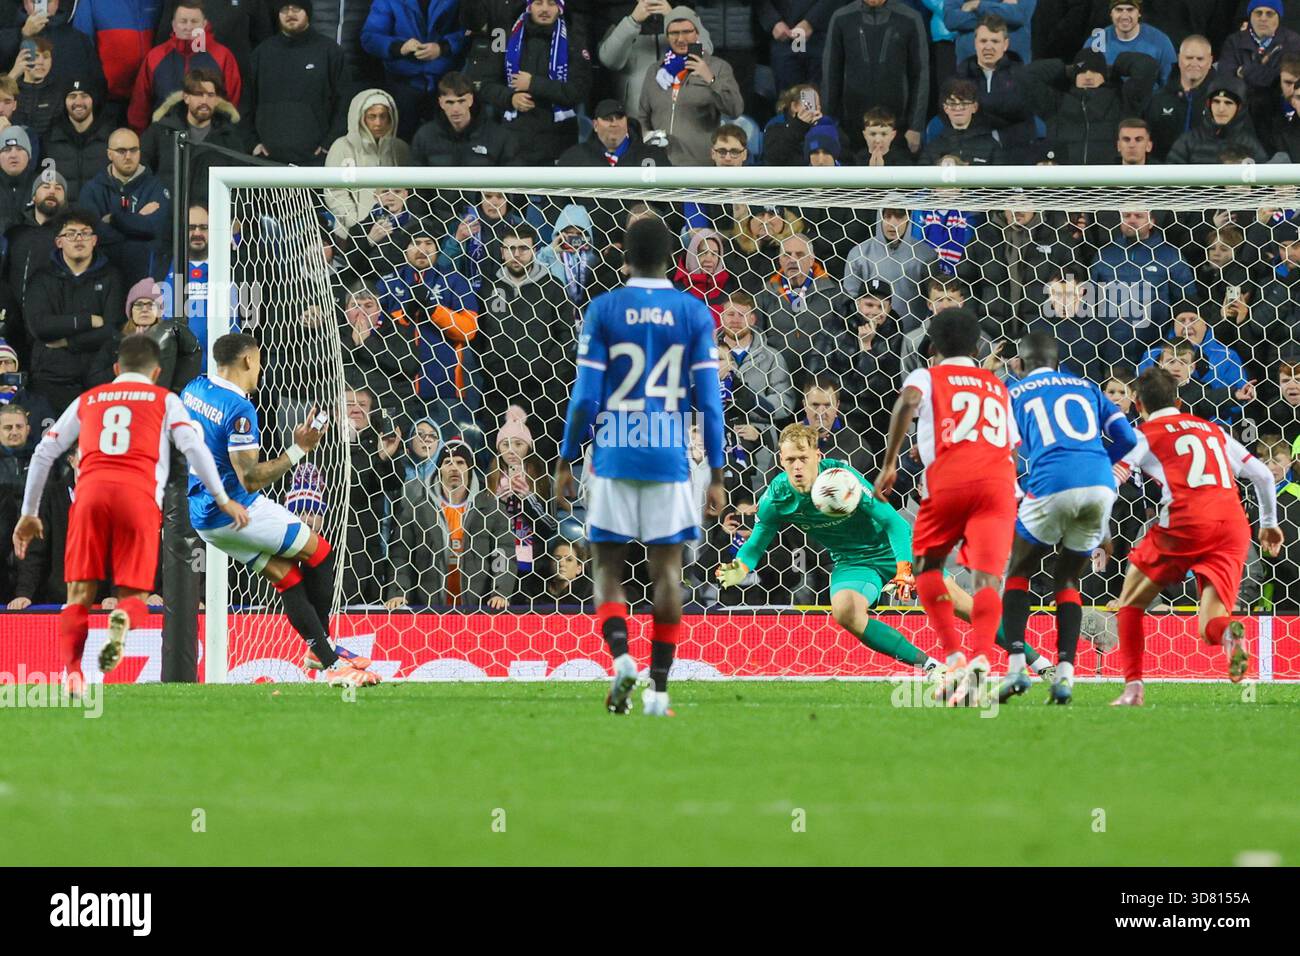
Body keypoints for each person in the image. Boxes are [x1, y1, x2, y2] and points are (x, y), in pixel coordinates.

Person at [554, 216, 725, 717]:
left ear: (623, 258)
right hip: (669, 455)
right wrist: (716, 474)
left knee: (607, 564)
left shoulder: (604, 308)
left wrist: (566, 458)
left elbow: (585, 396)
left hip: (612, 451)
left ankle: (621, 656)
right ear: (673, 260)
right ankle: (660, 691)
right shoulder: (693, 312)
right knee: (666, 570)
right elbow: (710, 405)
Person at [12, 334, 247, 697]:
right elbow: (193, 447)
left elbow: (44, 451)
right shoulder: (164, 400)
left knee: (79, 594)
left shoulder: (89, 399)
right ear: (155, 372)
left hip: (90, 495)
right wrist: (222, 496)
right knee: (133, 596)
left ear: (117, 369)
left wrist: (29, 513)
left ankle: (73, 673)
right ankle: (122, 622)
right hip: (137, 497)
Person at [180, 332, 379, 685]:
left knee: (287, 576)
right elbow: (251, 479)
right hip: (235, 509)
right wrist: (300, 448)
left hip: (202, 516)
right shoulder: (239, 409)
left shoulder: (193, 389)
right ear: (247, 361)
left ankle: (325, 655)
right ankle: (327, 656)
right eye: (258, 361)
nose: (260, 370)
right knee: (321, 553)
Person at [716, 424, 947, 681]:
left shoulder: (842, 478)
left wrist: (904, 568)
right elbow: (756, 545)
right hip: (853, 561)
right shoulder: (777, 497)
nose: (797, 466)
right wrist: (740, 568)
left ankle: (999, 654)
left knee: (953, 601)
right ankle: (931, 667)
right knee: (845, 611)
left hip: (894, 548)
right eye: (790, 459)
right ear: (781, 460)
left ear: (818, 455)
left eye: (803, 458)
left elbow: (896, 523)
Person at [1109, 367, 1283, 705]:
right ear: (1178, 400)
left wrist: (1097, 529)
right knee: (1210, 626)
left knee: (1129, 605)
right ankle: (1231, 637)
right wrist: (1268, 522)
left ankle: (1133, 688)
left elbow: (1113, 481)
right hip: (1231, 525)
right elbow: (1262, 474)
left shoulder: (1142, 435)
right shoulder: (1212, 430)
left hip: (1185, 522)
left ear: (1137, 404)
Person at [874, 306, 1018, 706]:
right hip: (998, 485)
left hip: (952, 481)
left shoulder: (928, 374)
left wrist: (889, 464)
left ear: (933, 346)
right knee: (988, 579)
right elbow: (1009, 443)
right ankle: (982, 659)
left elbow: (907, 402)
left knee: (925, 568)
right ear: (976, 346)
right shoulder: (994, 384)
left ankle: (954, 657)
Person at [1000, 332, 1138, 704]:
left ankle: (1016, 668)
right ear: (1058, 363)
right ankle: (1065, 675)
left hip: (1050, 483)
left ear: (1020, 364)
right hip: (1098, 485)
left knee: (1018, 572)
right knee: (1068, 577)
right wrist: (1096, 467)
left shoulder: (1013, 393)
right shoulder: (1087, 387)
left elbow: (1003, 449)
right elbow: (1127, 439)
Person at [23, 209, 124, 414]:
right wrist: (88, 321)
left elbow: (112, 330)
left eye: (85, 233)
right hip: (51, 379)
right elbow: (40, 327)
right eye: (71, 233)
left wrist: (68, 341)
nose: (79, 238)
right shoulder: (41, 278)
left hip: (99, 379)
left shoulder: (112, 276)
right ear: (59, 242)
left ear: (94, 240)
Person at [476, 0, 590, 167]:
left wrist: (533, 83)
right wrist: (511, 98)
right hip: (514, 139)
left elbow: (580, 90)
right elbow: (484, 84)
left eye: (551, 3)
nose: (545, 9)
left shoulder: (574, 39)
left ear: (560, 8)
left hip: (559, 140)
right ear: (529, 6)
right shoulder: (504, 36)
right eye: (539, 3)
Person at [632, 8, 742, 167]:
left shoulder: (717, 67)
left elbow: (734, 110)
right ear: (667, 36)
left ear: (697, 33)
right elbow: (643, 116)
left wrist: (710, 78)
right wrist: (648, 138)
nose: (680, 38)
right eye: (674, 33)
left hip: (701, 165)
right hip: (660, 165)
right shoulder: (656, 70)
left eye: (687, 31)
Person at [245, 0, 348, 165]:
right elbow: (246, 102)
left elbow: (344, 103)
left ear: (308, 12)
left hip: (316, 161)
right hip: (266, 161)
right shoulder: (261, 53)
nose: (290, 14)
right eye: (284, 9)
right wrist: (252, 143)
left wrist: (329, 145)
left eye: (296, 8)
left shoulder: (330, 52)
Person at [824, 0, 929, 154]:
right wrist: (828, 124)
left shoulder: (910, 18)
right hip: (851, 128)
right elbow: (831, 74)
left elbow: (920, 75)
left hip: (898, 129)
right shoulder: (841, 18)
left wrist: (915, 126)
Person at [128, 1, 243, 132]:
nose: (188, 27)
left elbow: (233, 102)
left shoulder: (223, 56)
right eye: (183, 21)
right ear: (173, 25)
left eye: (194, 21)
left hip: (210, 139)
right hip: (164, 137)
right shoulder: (155, 57)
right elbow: (140, 107)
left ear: (204, 24)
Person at [361, 0, 466, 140]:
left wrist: (442, 47)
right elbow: (370, 37)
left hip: (446, 82)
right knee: (400, 143)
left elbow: (469, 32)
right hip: (402, 82)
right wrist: (400, 47)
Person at [79, 126, 170, 281]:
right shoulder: (92, 189)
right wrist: (137, 218)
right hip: (102, 276)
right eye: (121, 151)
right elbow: (94, 234)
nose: (128, 156)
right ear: (109, 154)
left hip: (146, 277)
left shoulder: (156, 187)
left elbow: (154, 229)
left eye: (134, 150)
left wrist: (113, 219)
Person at [139, 68, 250, 195]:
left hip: (212, 211)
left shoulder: (229, 136)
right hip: (166, 210)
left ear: (216, 99)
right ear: (186, 97)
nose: (204, 101)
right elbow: (141, 165)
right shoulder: (161, 130)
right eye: (198, 94)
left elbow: (241, 185)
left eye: (210, 95)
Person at [325, 89, 411, 237]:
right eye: (372, 116)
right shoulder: (341, 147)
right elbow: (334, 191)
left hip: (397, 233)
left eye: (383, 116)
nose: (378, 123)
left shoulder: (400, 148)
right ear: (360, 117)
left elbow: (410, 190)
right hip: (351, 235)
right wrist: (357, 224)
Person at [408, 72, 515, 169]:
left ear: (470, 100)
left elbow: (514, 179)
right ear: (441, 103)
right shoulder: (424, 136)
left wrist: (498, 191)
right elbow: (414, 181)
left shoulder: (499, 137)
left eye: (461, 101)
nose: (456, 109)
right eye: (449, 102)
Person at [1166, 74, 1270, 164]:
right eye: (1216, 102)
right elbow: (1169, 181)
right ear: (1208, 105)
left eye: (1228, 103)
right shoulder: (1187, 142)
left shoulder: (1251, 146)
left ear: (1239, 108)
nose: (1221, 109)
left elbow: (1262, 184)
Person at [1145, 34, 1214, 161]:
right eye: (1189, 58)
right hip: (1165, 175)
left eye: (1200, 59)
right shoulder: (1159, 99)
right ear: (1179, 59)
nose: (1194, 63)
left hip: (1209, 175)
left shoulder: (1222, 101)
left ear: (1210, 62)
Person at [42, 77, 109, 204]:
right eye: (72, 96)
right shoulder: (49, 139)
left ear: (93, 99)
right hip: (62, 217)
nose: (78, 102)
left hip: (101, 217)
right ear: (64, 101)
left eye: (84, 96)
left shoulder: (111, 138)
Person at [555, 97, 670, 167]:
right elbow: (553, 201)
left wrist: (650, 208)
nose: (614, 123)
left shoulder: (652, 156)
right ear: (595, 125)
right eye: (607, 119)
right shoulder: (575, 157)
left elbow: (674, 202)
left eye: (619, 118)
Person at [1089, 0, 1176, 89]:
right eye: (1119, 10)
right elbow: (1085, 77)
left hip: (1149, 100)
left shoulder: (1160, 41)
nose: (1124, 16)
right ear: (1111, 13)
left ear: (1139, 13)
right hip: (1107, 99)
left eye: (1130, 10)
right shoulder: (1097, 40)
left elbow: (1170, 84)